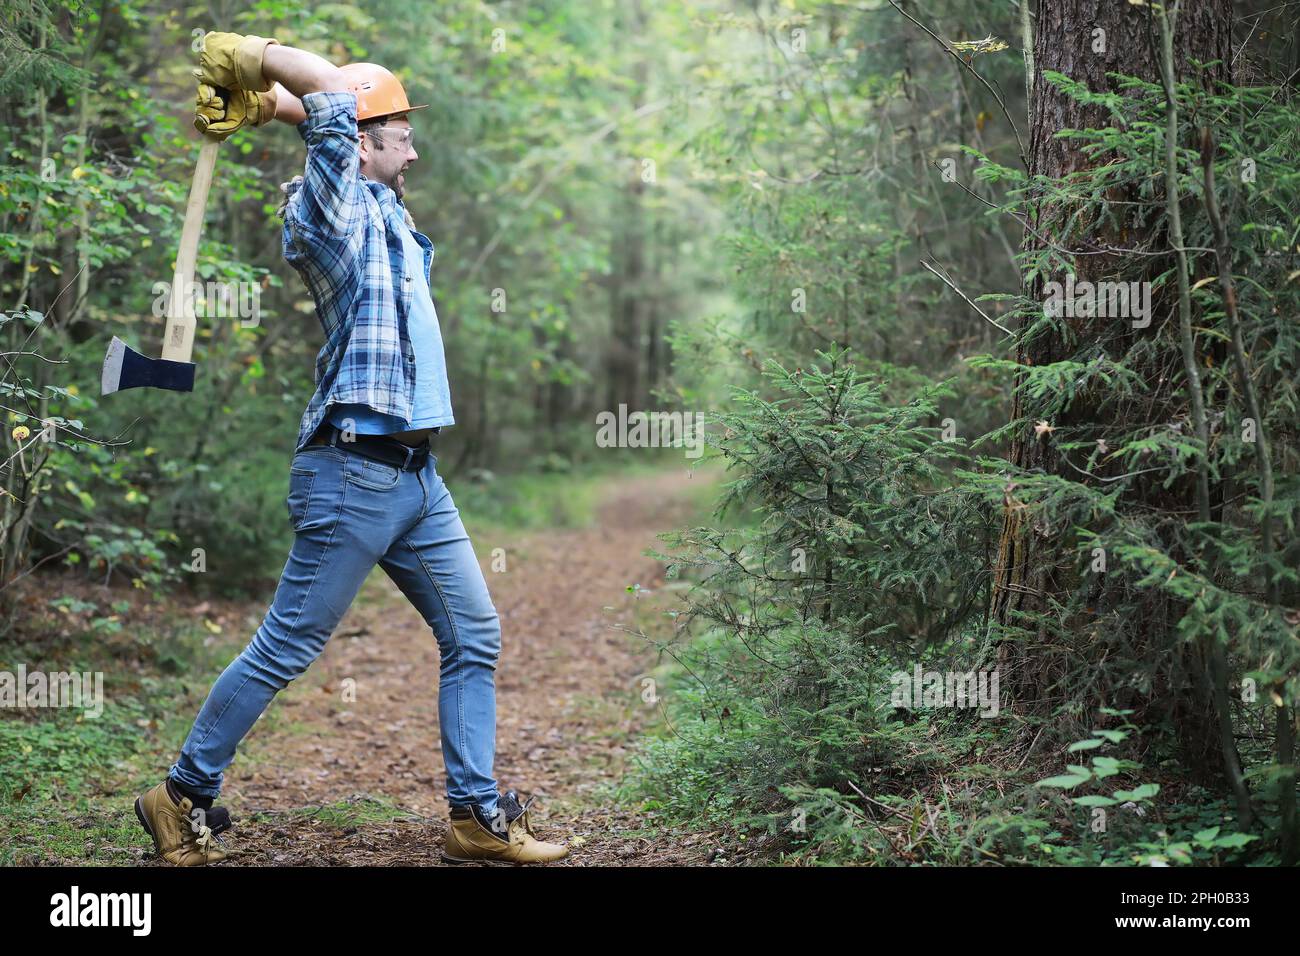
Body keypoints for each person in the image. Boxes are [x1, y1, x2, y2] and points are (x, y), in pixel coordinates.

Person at [133, 31, 568, 866]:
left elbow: (335, 110)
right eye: (400, 132)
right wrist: (248, 51)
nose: (415, 145)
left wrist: (263, 104)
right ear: (363, 146)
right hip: (350, 473)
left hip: (415, 481)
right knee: (287, 646)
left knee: (475, 634)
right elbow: (337, 104)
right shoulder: (327, 214)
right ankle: (180, 795)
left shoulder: (385, 210)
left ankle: (475, 814)